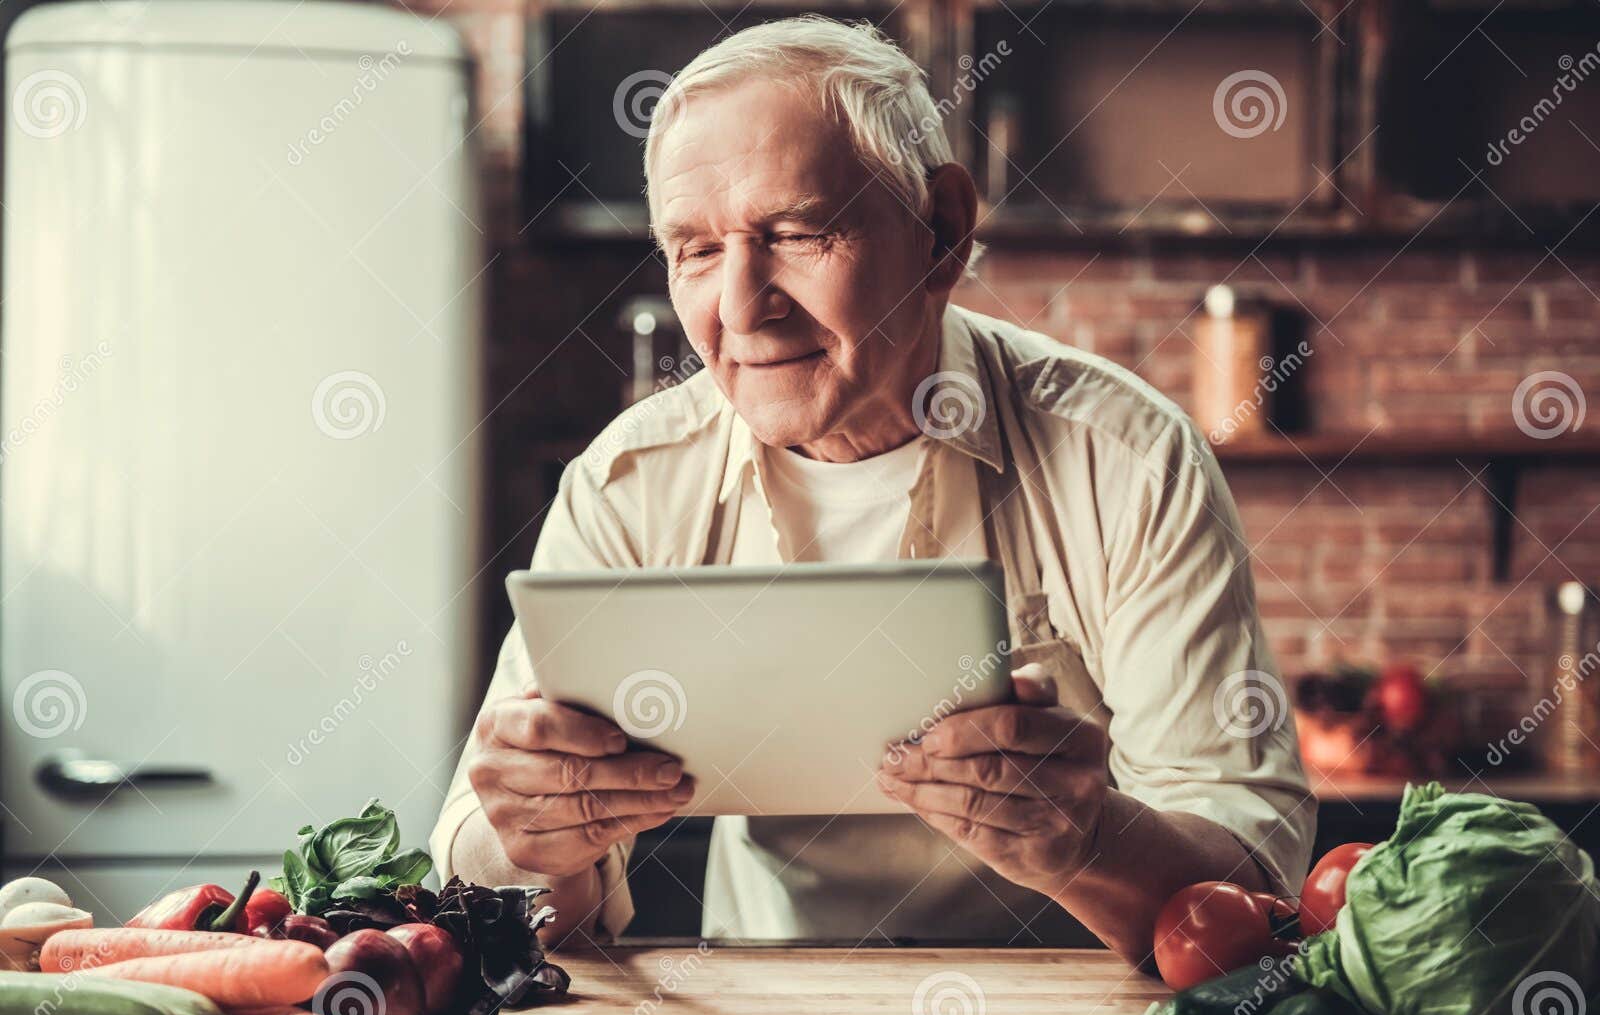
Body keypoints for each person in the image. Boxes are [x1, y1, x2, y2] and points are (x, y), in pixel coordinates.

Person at [431, 16, 1313, 964]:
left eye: (799, 232)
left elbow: (1254, 875)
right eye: (694, 250)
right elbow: (487, 867)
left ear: (940, 231)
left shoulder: (1127, 459)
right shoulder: (629, 483)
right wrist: (536, 845)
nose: (740, 309)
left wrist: (1092, 842)